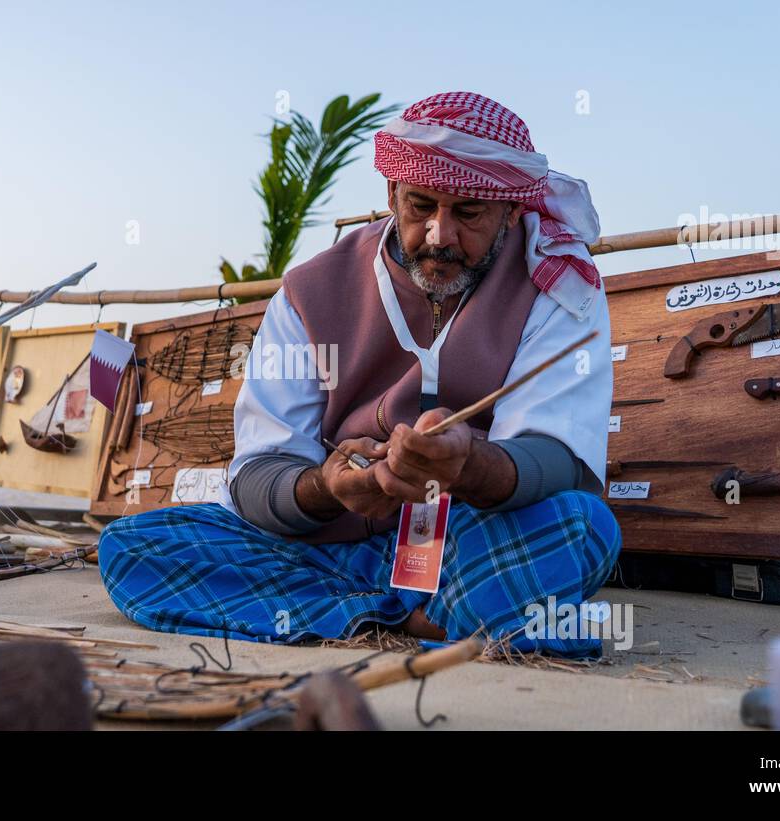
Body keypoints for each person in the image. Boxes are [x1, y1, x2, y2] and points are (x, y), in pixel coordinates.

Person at [99, 92, 620, 656]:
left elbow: (557, 457)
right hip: (329, 546)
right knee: (135, 548)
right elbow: (257, 476)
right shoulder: (312, 292)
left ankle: (349, 611)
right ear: (392, 193)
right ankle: (422, 616)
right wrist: (328, 486)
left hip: (465, 543)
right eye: (421, 205)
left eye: (468, 213)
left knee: (581, 526)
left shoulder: (557, 284)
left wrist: (469, 466)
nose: (439, 235)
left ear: (513, 211)